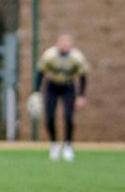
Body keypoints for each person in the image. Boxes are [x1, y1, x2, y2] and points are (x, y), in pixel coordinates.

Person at [37, 33, 89, 161]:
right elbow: (40, 72)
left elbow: (83, 76)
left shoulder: (76, 57)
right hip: (52, 86)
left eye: (66, 43)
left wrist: (81, 95)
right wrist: (36, 92)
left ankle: (68, 146)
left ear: (70, 44)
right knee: (49, 118)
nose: (64, 46)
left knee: (68, 117)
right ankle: (54, 144)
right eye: (62, 43)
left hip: (68, 87)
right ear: (57, 43)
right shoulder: (50, 55)